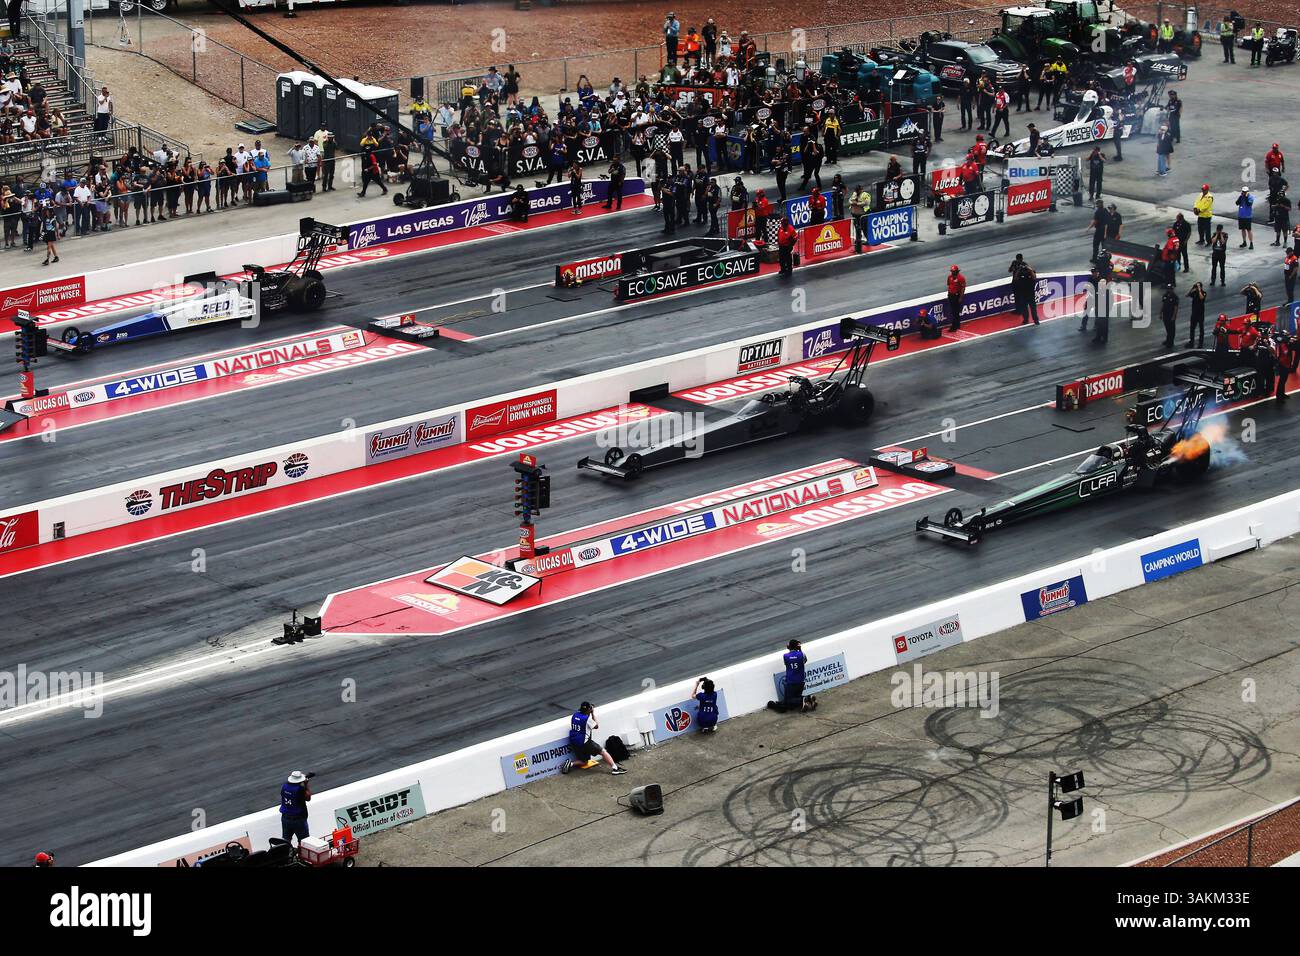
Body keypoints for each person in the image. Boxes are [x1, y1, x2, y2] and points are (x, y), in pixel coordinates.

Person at [562, 702, 627, 774]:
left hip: (575, 741)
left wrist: (589, 711)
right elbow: (596, 726)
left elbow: (583, 718)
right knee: (603, 752)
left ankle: (570, 763)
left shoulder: (575, 715)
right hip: (585, 742)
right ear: (588, 710)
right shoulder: (587, 719)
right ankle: (615, 768)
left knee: (584, 761)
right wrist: (592, 713)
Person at [767, 639, 817, 713]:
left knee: (788, 701)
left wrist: (791, 649)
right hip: (801, 681)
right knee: (795, 697)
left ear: (789, 646)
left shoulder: (785, 656)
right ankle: (808, 698)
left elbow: (786, 663)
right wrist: (799, 650)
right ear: (797, 647)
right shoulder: (801, 654)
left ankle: (803, 699)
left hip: (791, 682)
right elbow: (805, 660)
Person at [279, 770, 312, 845]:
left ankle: (287, 855)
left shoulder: (284, 786)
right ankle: (301, 855)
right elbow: (308, 798)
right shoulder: (300, 789)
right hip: (298, 819)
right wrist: (306, 785)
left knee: (286, 840)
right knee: (304, 842)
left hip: (285, 818)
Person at [1013, 259, 1039, 325]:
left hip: (1031, 295)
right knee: (1024, 309)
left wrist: (1029, 269)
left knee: (1033, 309)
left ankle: (1036, 320)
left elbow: (1034, 276)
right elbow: (1015, 278)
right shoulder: (1021, 275)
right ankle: (1026, 320)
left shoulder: (1031, 275)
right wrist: (1019, 269)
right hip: (1024, 295)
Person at [1275, 331, 1298, 404]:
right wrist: (1290, 344)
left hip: (1287, 364)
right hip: (1283, 364)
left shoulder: (1286, 343)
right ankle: (1279, 396)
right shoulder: (1283, 344)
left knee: (1284, 380)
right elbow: (1286, 352)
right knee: (1282, 381)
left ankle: (1282, 394)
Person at [849, 183, 870, 252]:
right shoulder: (854, 194)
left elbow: (867, 203)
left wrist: (857, 204)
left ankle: (869, 240)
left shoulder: (865, 195)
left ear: (861, 189)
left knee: (864, 228)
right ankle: (858, 240)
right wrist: (852, 202)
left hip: (863, 214)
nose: (857, 191)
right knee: (857, 228)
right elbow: (849, 200)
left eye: (858, 190)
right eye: (856, 190)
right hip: (855, 214)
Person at [1186, 281, 1208, 348]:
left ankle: (1200, 343)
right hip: (1194, 313)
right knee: (1192, 328)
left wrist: (1199, 290)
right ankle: (1191, 342)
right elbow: (1187, 295)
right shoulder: (1194, 293)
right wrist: (1192, 288)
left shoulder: (1204, 293)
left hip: (1200, 314)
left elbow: (1201, 298)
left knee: (1201, 329)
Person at [946, 264, 966, 331]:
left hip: (956, 296)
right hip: (951, 295)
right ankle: (957, 325)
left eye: (953, 271)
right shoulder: (949, 277)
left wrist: (960, 297)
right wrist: (949, 294)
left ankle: (954, 327)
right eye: (951, 271)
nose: (952, 272)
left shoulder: (961, 278)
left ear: (957, 271)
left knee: (956, 312)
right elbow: (949, 284)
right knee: (953, 311)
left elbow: (963, 288)